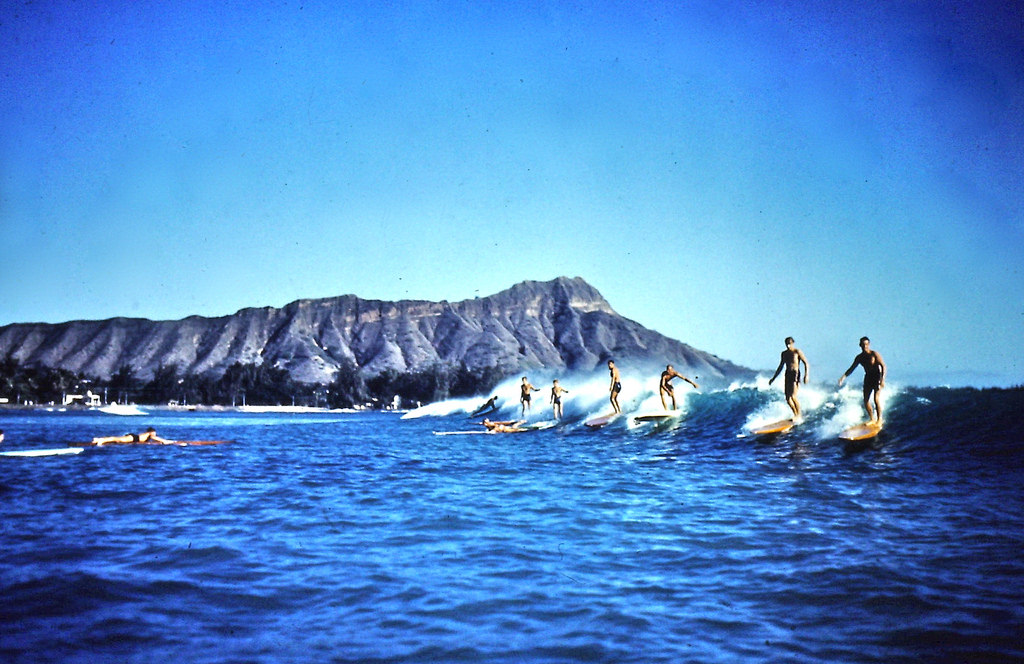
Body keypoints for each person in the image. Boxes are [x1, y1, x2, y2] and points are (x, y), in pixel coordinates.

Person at [838, 336, 887, 423]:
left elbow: (883, 366)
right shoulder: (859, 357)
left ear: (869, 344)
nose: (865, 346)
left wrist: (882, 380)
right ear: (860, 345)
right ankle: (872, 419)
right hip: (868, 377)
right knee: (866, 400)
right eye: (863, 345)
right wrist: (843, 377)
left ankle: (879, 419)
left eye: (867, 344)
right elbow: (851, 369)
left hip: (877, 377)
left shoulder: (874, 354)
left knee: (876, 399)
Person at [768, 337, 810, 419]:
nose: (788, 345)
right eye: (786, 344)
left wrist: (806, 375)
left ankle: (799, 414)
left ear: (793, 343)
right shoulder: (784, 354)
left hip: (795, 374)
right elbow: (780, 366)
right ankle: (795, 414)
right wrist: (773, 378)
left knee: (793, 396)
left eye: (789, 343)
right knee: (788, 398)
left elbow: (806, 363)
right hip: (788, 374)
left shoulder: (797, 352)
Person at [92, 427, 171, 446]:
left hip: (133, 438)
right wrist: (164, 441)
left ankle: (99, 439)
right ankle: (101, 440)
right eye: (154, 433)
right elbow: (155, 438)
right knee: (117, 439)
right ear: (152, 431)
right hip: (134, 438)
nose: (155, 434)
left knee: (117, 439)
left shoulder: (147, 435)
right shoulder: (150, 434)